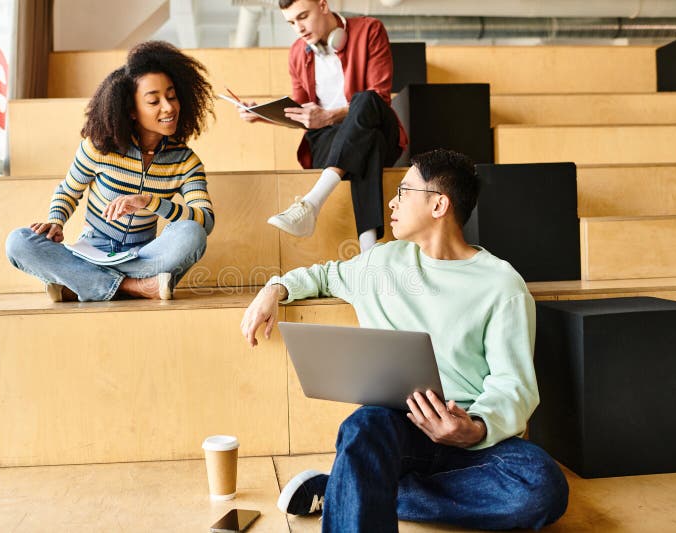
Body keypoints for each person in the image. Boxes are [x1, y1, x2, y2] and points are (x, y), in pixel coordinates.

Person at [240, 149, 569, 532]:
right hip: (395, 430)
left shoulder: (501, 285)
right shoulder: (381, 263)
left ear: (438, 204)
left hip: (471, 439)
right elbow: (322, 275)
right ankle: (360, 487)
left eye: (403, 191)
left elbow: (514, 384)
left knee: (542, 486)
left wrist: (474, 427)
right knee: (362, 427)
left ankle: (346, 489)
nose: (392, 203)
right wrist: (274, 289)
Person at [6, 41, 215, 302]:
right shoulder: (100, 147)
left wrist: (150, 202)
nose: (169, 107)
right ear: (131, 111)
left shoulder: (186, 162)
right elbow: (69, 191)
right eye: (154, 101)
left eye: (171, 97)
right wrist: (56, 222)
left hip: (144, 256)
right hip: (90, 252)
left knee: (192, 234)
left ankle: (83, 285)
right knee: (18, 242)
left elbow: (205, 220)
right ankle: (136, 287)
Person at [238, 0, 407, 253]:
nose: (299, 28)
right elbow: (301, 111)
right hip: (332, 142)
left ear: (323, 5)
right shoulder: (297, 52)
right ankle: (369, 252)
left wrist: (329, 116)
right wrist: (261, 114)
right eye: (292, 22)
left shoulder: (369, 30)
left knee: (365, 99)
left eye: (303, 16)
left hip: (380, 124)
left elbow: (380, 97)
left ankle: (311, 203)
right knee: (367, 141)